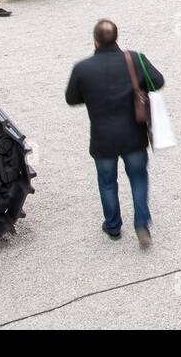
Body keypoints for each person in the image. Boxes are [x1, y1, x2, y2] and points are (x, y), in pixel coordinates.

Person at [65, 19, 165, 248]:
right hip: (133, 135)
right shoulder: (135, 59)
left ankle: (113, 226)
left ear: (95, 41)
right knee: (138, 177)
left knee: (107, 182)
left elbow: (71, 99)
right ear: (116, 37)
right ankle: (141, 223)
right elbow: (158, 81)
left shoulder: (82, 68)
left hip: (102, 139)